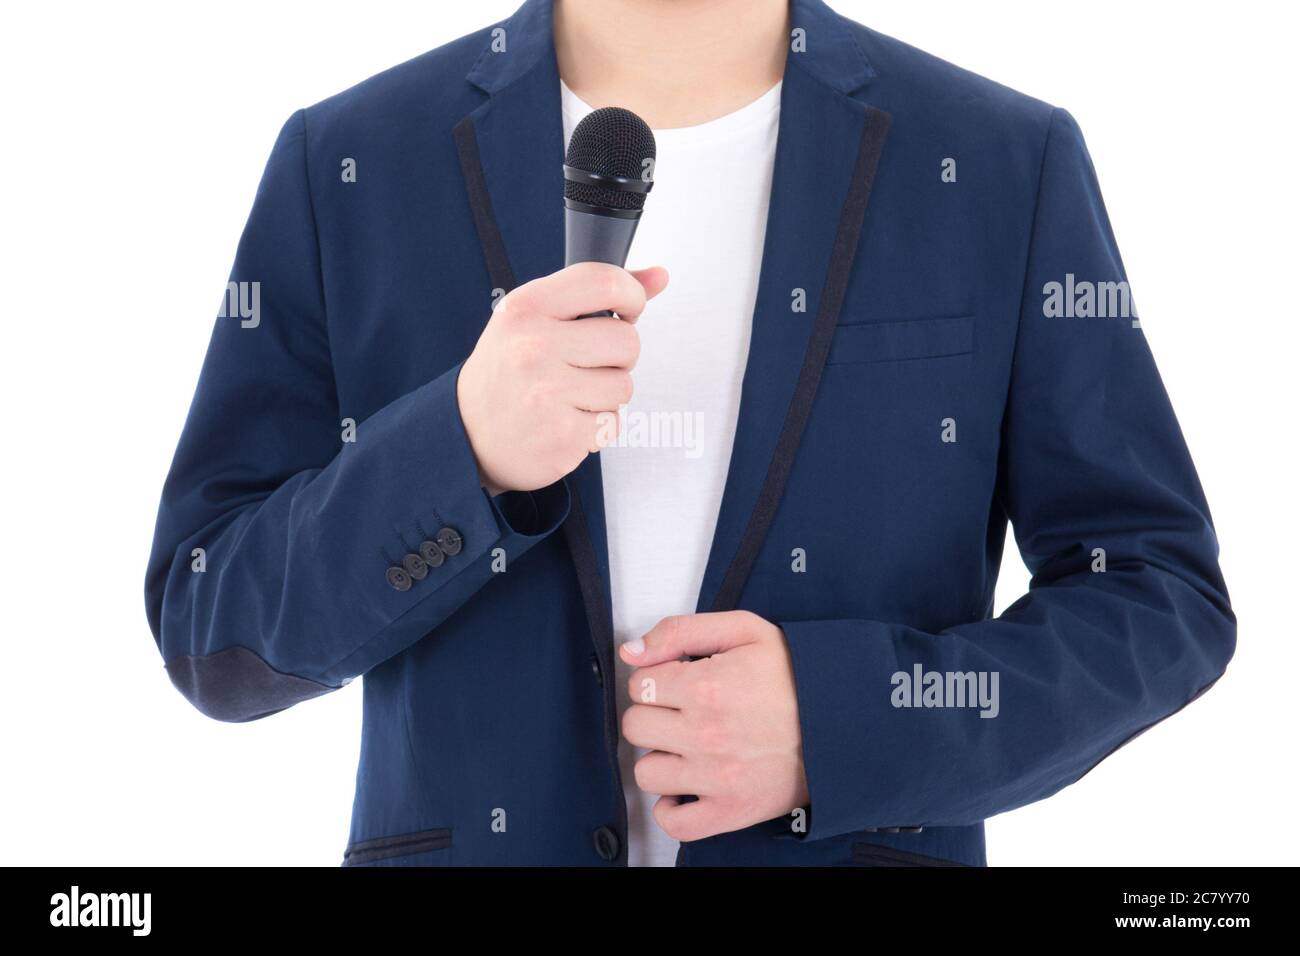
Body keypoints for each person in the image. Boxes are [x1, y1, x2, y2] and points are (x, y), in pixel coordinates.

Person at [144, 0, 1236, 867]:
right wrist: (460, 451)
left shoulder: (1002, 160)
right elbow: (212, 626)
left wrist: (842, 721)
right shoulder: (348, 160)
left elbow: (1155, 593)